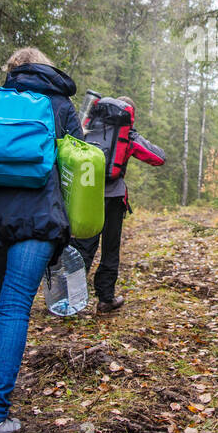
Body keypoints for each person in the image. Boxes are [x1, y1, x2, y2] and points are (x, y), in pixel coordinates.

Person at [0, 47, 82, 433]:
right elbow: (78, 164)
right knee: (16, 304)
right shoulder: (60, 104)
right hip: (38, 219)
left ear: (11, 71)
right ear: (45, 67)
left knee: (6, 299)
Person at [73, 95, 165, 314]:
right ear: (128, 115)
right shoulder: (127, 136)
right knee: (110, 249)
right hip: (113, 198)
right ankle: (105, 299)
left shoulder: (88, 126)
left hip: (86, 195)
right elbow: (158, 157)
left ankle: (69, 299)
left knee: (84, 247)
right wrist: (133, 136)